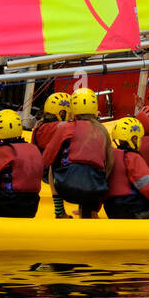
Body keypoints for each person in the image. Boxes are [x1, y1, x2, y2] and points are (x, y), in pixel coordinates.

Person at [40, 88, 113, 218]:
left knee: (53, 167)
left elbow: (47, 159)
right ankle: (90, 210)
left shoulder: (66, 128)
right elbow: (110, 163)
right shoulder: (103, 131)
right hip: (96, 190)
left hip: (66, 188)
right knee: (93, 169)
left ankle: (60, 212)